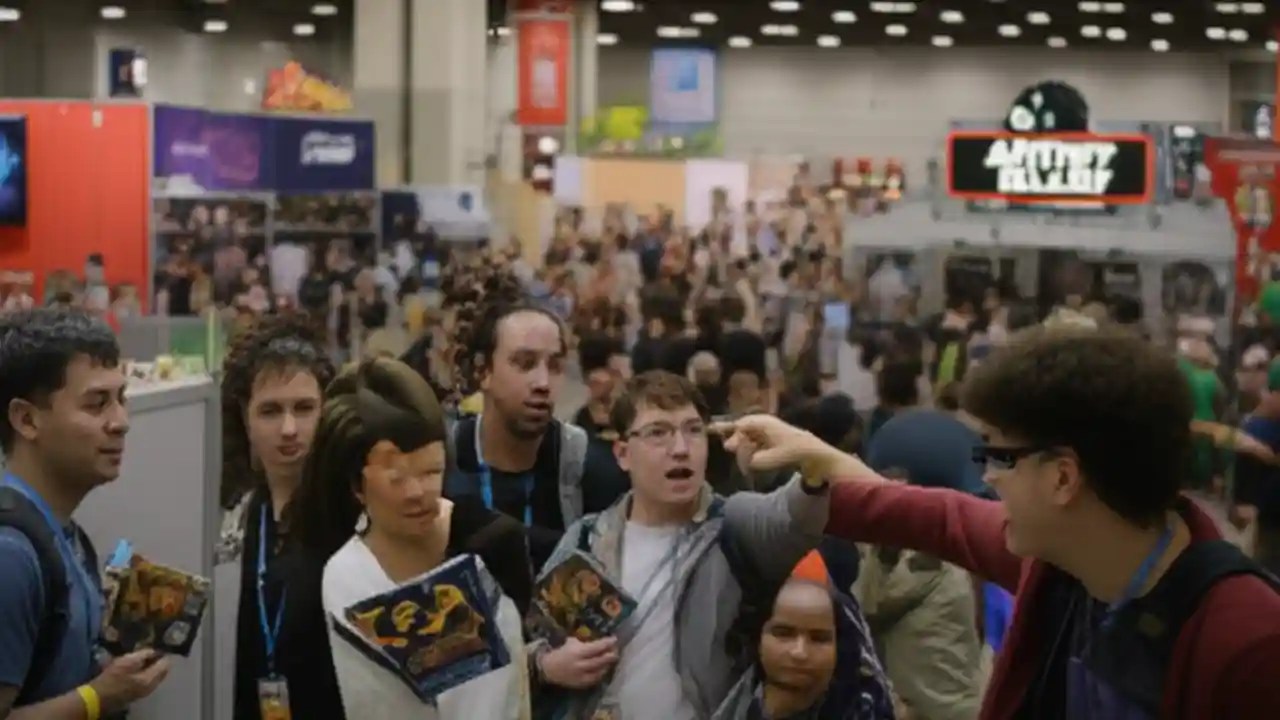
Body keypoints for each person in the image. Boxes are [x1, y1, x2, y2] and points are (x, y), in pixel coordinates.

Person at [721, 326, 1280, 719]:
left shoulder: (1248, 643)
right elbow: (939, 518)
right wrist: (821, 467)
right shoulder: (1070, 567)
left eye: (999, 457)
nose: (988, 478)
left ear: (1064, 478)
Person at [530, 371, 831, 720]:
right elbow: (531, 639)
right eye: (658, 433)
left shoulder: (732, 527)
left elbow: (797, 516)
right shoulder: (587, 539)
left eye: (693, 430)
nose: (681, 449)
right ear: (623, 453)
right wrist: (547, 665)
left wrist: (809, 463)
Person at [293, 359, 530, 719]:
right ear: (357, 485)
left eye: (431, 471)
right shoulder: (346, 577)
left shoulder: (491, 544)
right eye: (397, 479)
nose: (418, 492)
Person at [0, 309, 172, 718]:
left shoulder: (65, 534)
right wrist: (100, 697)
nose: (121, 422)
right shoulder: (11, 554)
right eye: (97, 405)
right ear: (27, 420)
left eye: (121, 399)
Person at [444, 272, 627, 568]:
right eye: (524, 364)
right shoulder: (445, 465)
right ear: (483, 371)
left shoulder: (590, 471)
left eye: (554, 366)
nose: (542, 382)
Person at [211, 314, 343, 720]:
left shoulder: (350, 517)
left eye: (304, 409)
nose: (289, 429)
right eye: (270, 411)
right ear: (245, 419)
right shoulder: (233, 519)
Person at [712, 550, 895, 720]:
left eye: (819, 638)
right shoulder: (714, 701)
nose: (800, 653)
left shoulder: (865, 708)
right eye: (784, 634)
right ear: (758, 639)